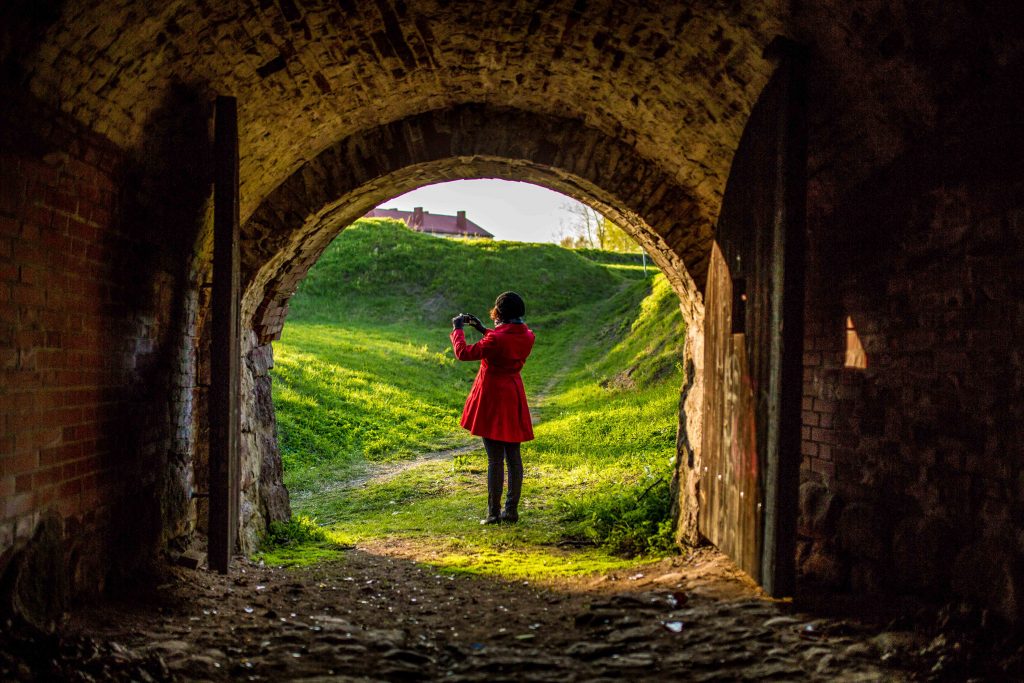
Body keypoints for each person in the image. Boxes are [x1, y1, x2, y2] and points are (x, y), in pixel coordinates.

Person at [450, 292, 535, 525]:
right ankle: (511, 511)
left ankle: (493, 512)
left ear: (500, 313)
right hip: (514, 395)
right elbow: (504, 338)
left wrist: (458, 329)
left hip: (492, 398)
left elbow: (464, 353)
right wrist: (483, 329)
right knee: (514, 457)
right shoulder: (527, 335)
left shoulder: (496, 339)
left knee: (495, 459)